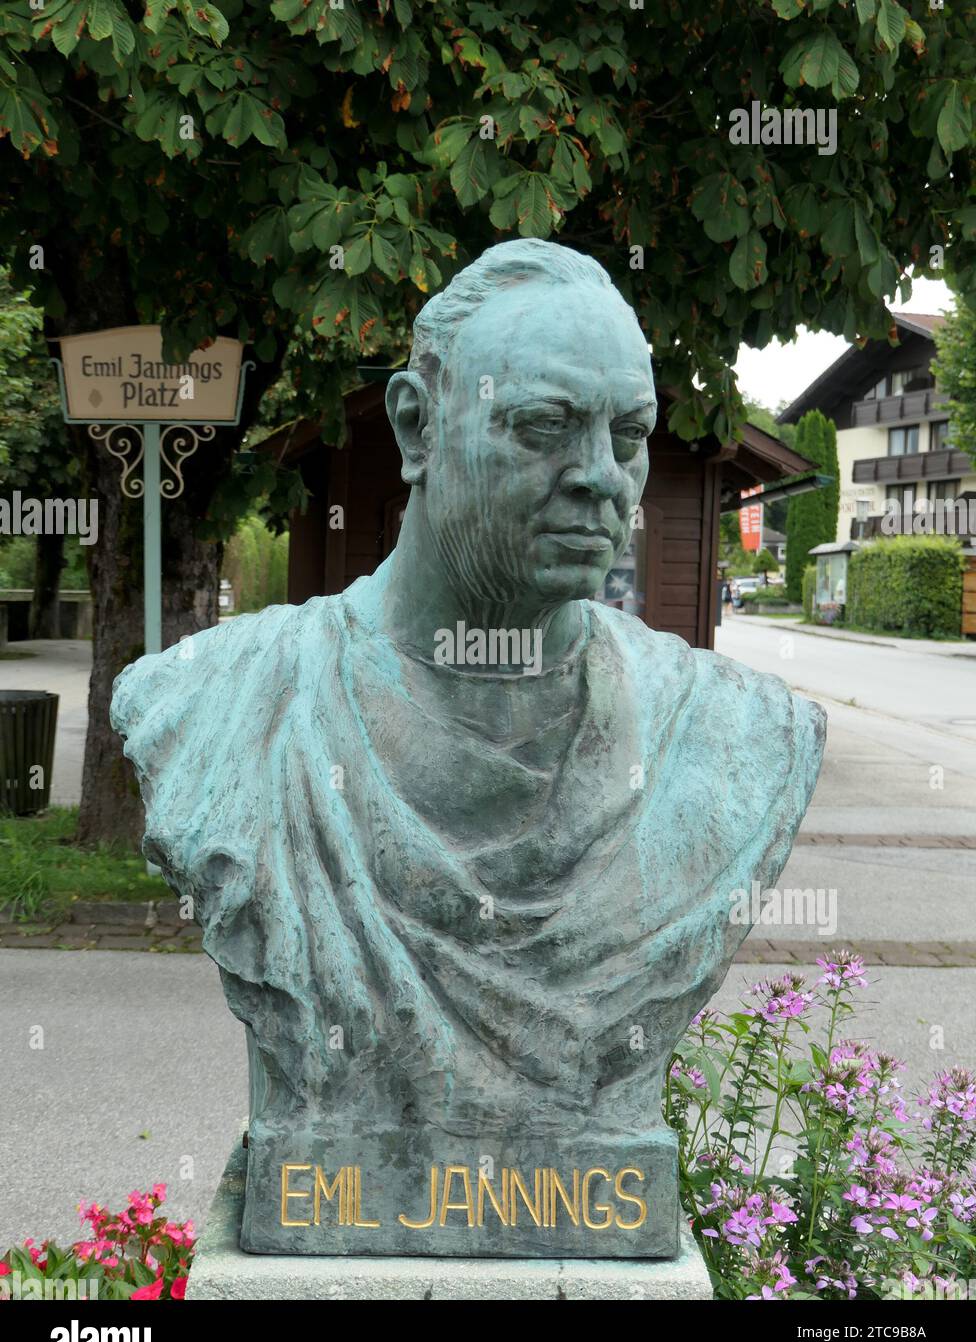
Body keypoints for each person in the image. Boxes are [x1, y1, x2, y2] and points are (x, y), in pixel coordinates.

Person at [111, 240, 825, 1256]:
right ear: (416, 426)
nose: (597, 479)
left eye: (627, 434)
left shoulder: (738, 737)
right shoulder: (222, 701)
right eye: (542, 428)